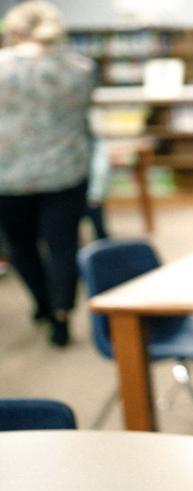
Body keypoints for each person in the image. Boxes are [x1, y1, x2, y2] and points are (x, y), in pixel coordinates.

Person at [0, 0, 96, 348]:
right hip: (65, 171)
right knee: (63, 245)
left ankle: (41, 302)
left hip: (8, 176)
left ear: (13, 31)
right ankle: (62, 314)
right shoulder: (80, 68)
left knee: (21, 244)